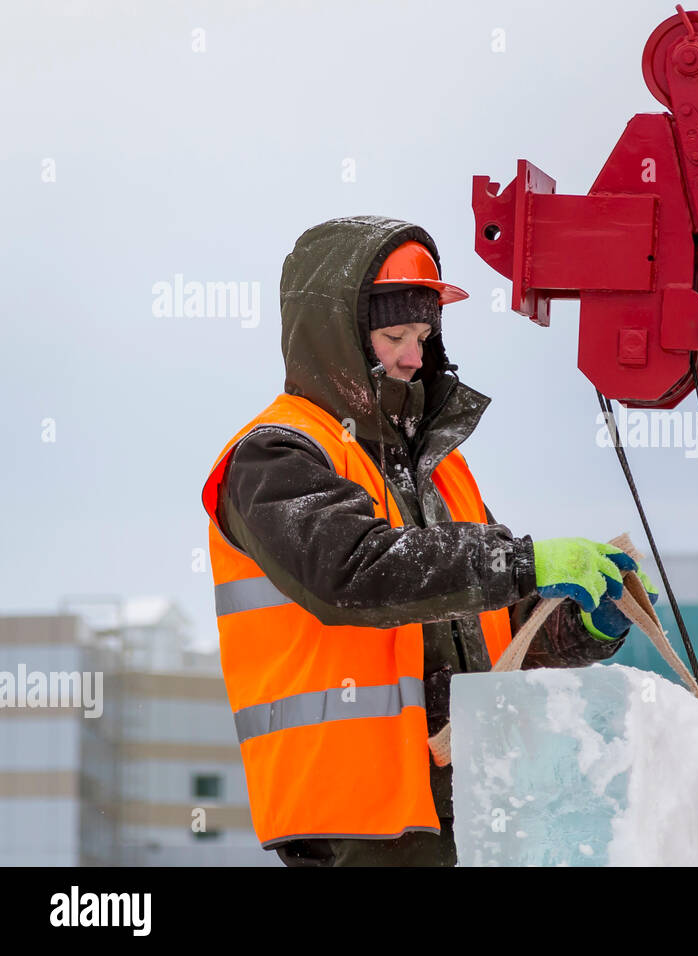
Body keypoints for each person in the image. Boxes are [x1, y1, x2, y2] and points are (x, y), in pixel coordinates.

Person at [199, 215, 653, 866]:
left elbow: (497, 623)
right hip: (356, 822)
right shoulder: (275, 458)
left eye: (423, 335)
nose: (414, 356)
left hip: (468, 807)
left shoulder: (439, 471)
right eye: (394, 336)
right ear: (338, 341)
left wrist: (582, 620)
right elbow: (356, 573)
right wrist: (522, 561)